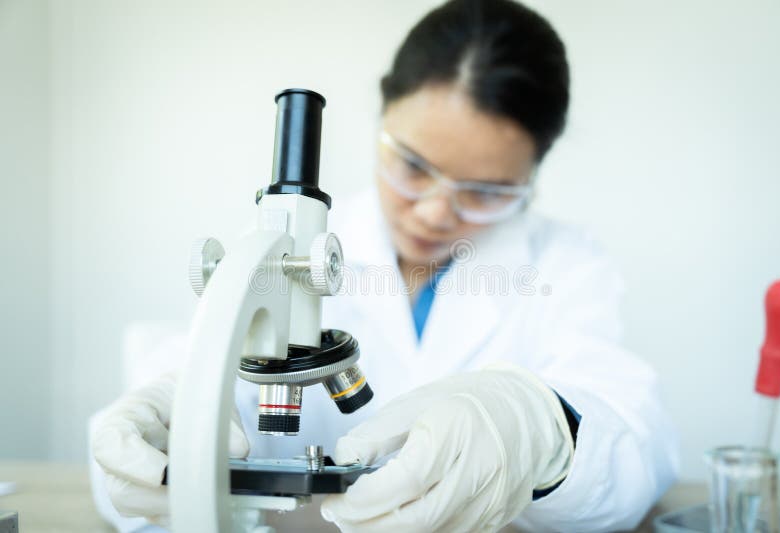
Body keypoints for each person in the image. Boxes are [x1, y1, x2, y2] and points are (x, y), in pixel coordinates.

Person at [90, 0, 679, 531]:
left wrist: (546, 431)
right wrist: (164, 417)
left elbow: (638, 456)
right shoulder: (292, 243)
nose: (433, 213)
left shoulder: (566, 263)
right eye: (415, 167)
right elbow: (135, 473)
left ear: (533, 175)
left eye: (485, 191)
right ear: (383, 114)